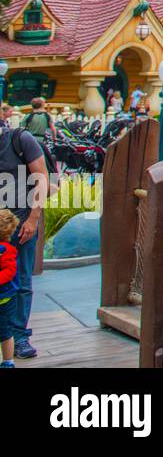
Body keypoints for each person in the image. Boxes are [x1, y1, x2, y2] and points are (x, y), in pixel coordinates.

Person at [0, 117, 47, 360]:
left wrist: (33, 219)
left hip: (20, 225)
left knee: (20, 279)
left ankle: (19, 335)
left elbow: (41, 177)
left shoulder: (20, 140)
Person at [0, 209, 18, 368]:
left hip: (3, 299)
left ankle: (8, 361)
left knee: (5, 332)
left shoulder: (5, 250)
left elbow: (10, 271)